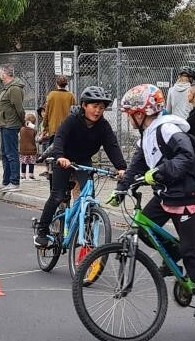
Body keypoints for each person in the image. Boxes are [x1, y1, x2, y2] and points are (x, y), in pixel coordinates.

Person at [114, 83, 195, 318]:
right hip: (166, 195)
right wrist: (121, 189)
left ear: (141, 113)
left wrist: (160, 171)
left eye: (131, 114)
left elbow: (186, 157)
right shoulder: (148, 134)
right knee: (142, 228)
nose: (130, 119)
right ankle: (173, 255)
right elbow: (137, 164)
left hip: (187, 195)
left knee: (190, 248)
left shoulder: (168, 129)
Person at [34, 86, 127, 248]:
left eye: (101, 108)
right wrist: (60, 157)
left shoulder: (103, 126)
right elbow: (60, 138)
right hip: (65, 159)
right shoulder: (73, 120)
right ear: (84, 106)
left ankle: (87, 232)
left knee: (89, 197)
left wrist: (121, 168)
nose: (98, 111)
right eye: (94, 106)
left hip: (83, 161)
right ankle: (42, 231)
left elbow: (112, 146)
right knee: (57, 195)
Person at [0, 63, 26, 192]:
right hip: (4, 124)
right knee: (5, 153)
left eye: (0, 73)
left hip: (10, 124)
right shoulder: (7, 87)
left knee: (11, 153)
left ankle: (14, 181)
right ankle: (6, 181)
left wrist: (22, 121)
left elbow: (18, 107)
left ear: (4, 74)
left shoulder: (14, 88)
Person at [40, 75, 75, 145]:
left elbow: (47, 112)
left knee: (53, 151)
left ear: (57, 83)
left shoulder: (52, 95)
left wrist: (45, 126)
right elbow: (74, 112)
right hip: (67, 128)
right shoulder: (71, 96)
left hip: (54, 128)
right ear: (66, 84)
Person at [20, 112, 40, 180]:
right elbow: (37, 139)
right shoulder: (34, 130)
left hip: (23, 150)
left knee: (23, 163)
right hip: (32, 150)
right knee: (31, 163)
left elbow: (19, 137)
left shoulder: (22, 129)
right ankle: (31, 175)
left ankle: (23, 175)